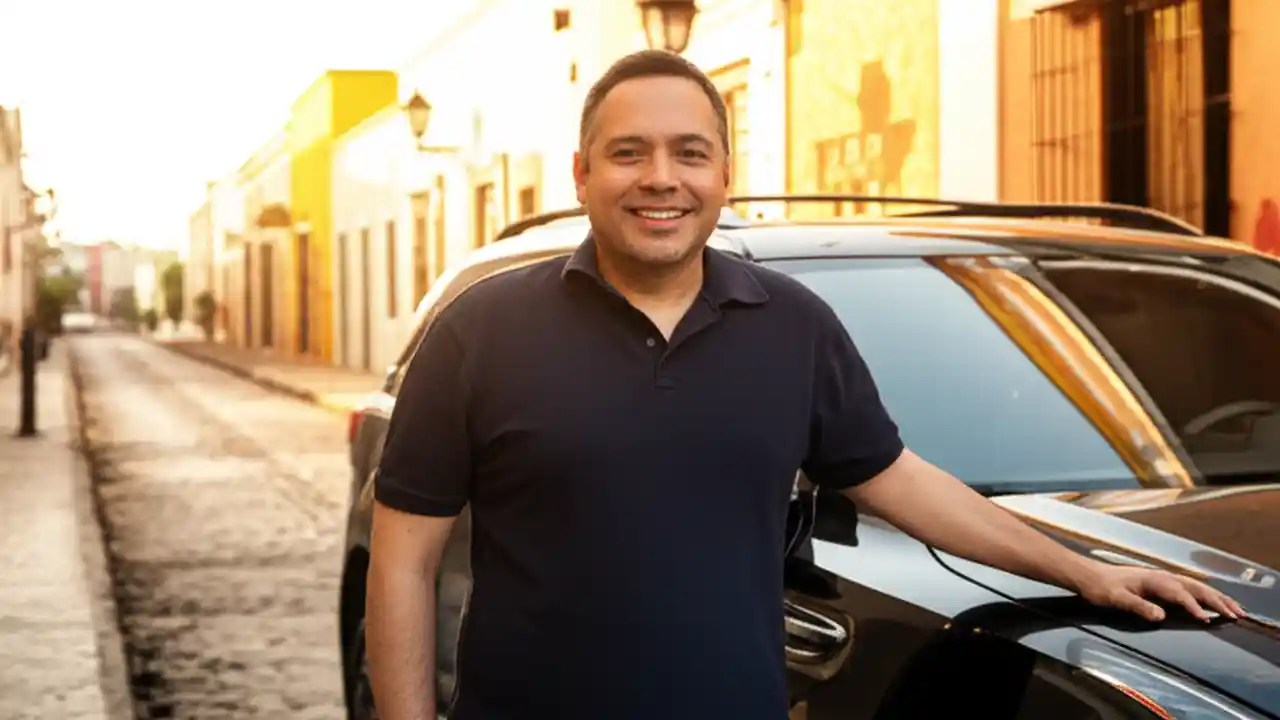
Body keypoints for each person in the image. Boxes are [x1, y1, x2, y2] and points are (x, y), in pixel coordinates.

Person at [365, 49, 1245, 720]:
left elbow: (898, 478)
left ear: (722, 175)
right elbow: (402, 564)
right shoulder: (482, 331)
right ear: (583, 174)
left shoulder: (792, 325)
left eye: (690, 152)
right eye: (628, 152)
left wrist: (1083, 571)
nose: (661, 177)